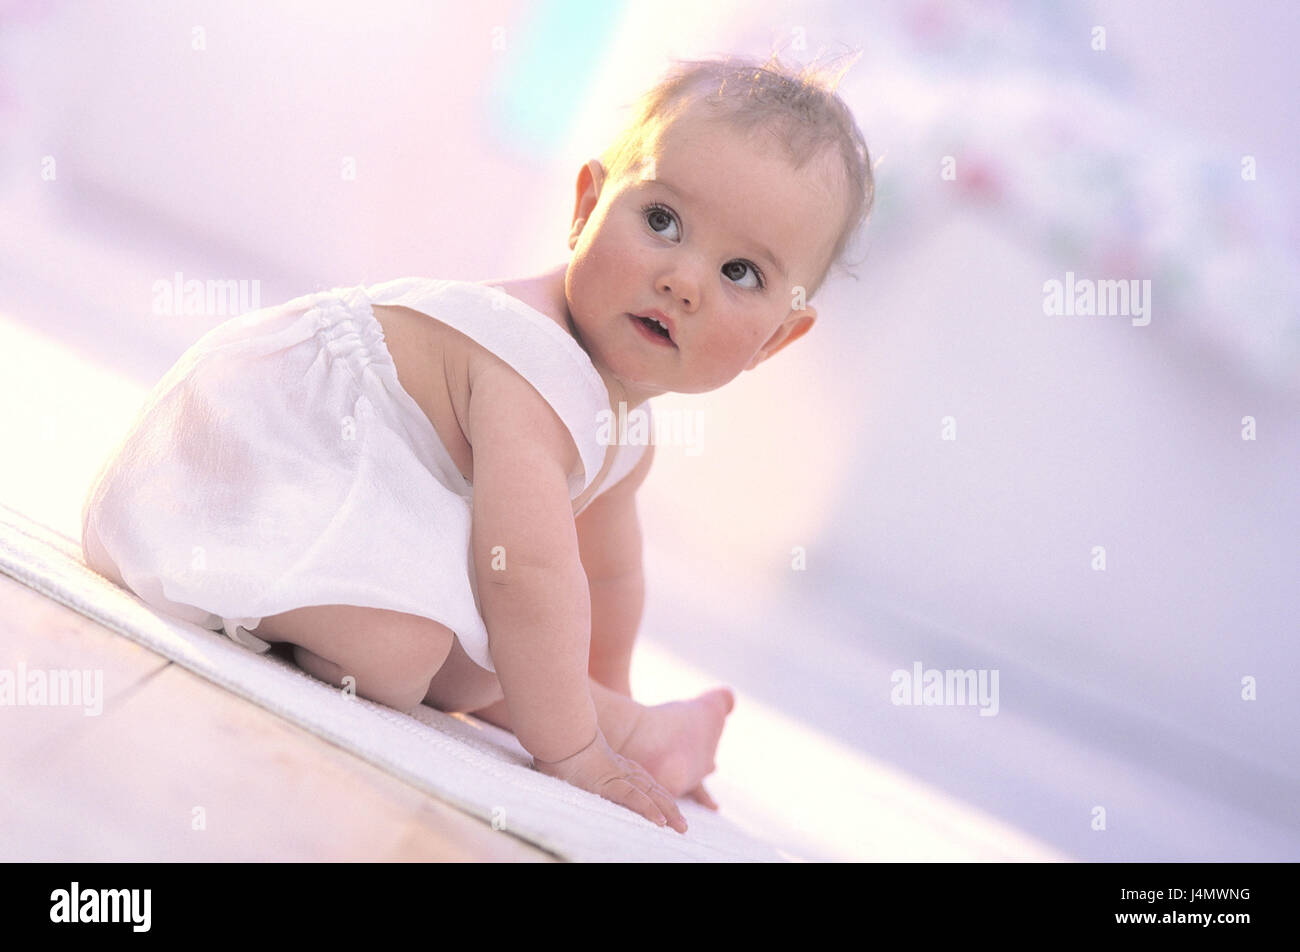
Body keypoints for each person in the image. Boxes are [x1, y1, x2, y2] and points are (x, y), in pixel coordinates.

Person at [80, 52, 874, 835]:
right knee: (408, 650)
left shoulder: (626, 427)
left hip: (363, 497)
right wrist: (576, 752)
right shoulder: (532, 366)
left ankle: (643, 727)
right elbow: (528, 573)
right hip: (252, 460)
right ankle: (615, 724)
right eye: (661, 221)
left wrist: (610, 699)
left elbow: (606, 572)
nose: (684, 280)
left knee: (480, 641)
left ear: (776, 339)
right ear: (587, 205)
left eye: (740, 272)